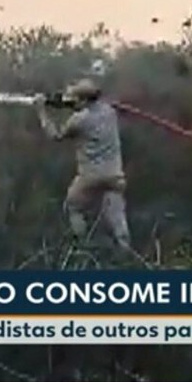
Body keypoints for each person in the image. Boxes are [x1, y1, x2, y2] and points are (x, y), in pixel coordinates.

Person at [33, 78, 130, 252]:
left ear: (84, 100)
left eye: (76, 98)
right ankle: (126, 252)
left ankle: (82, 246)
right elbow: (87, 105)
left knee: (73, 206)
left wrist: (42, 111)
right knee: (116, 216)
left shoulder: (79, 120)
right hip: (115, 176)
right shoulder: (110, 112)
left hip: (90, 177)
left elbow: (55, 135)